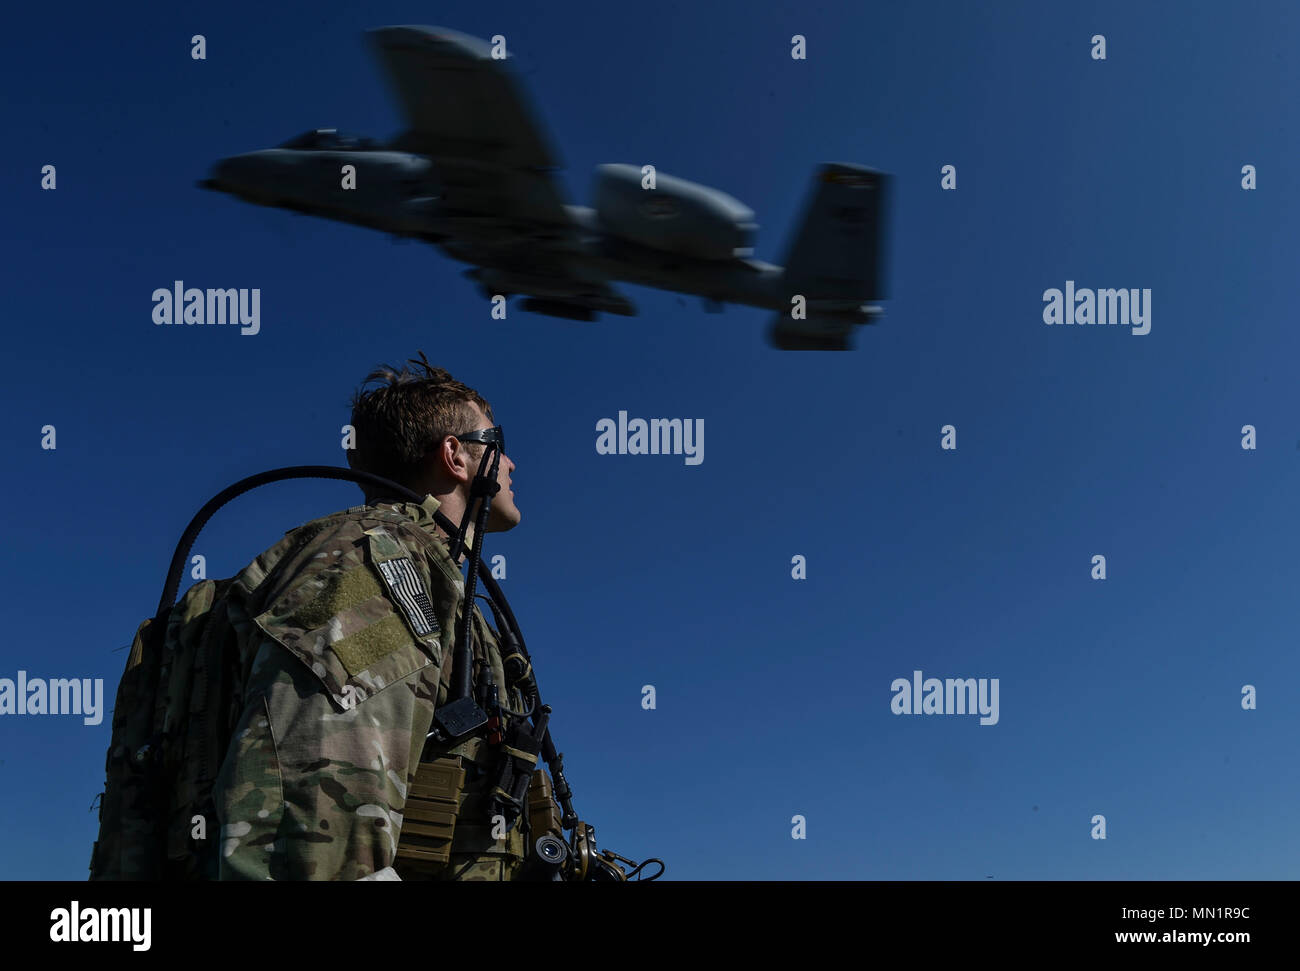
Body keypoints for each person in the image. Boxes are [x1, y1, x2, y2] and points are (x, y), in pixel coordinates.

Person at [211, 353, 532, 880]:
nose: (513, 464)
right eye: (498, 444)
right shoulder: (373, 559)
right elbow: (319, 822)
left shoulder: (429, 571)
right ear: (455, 455)